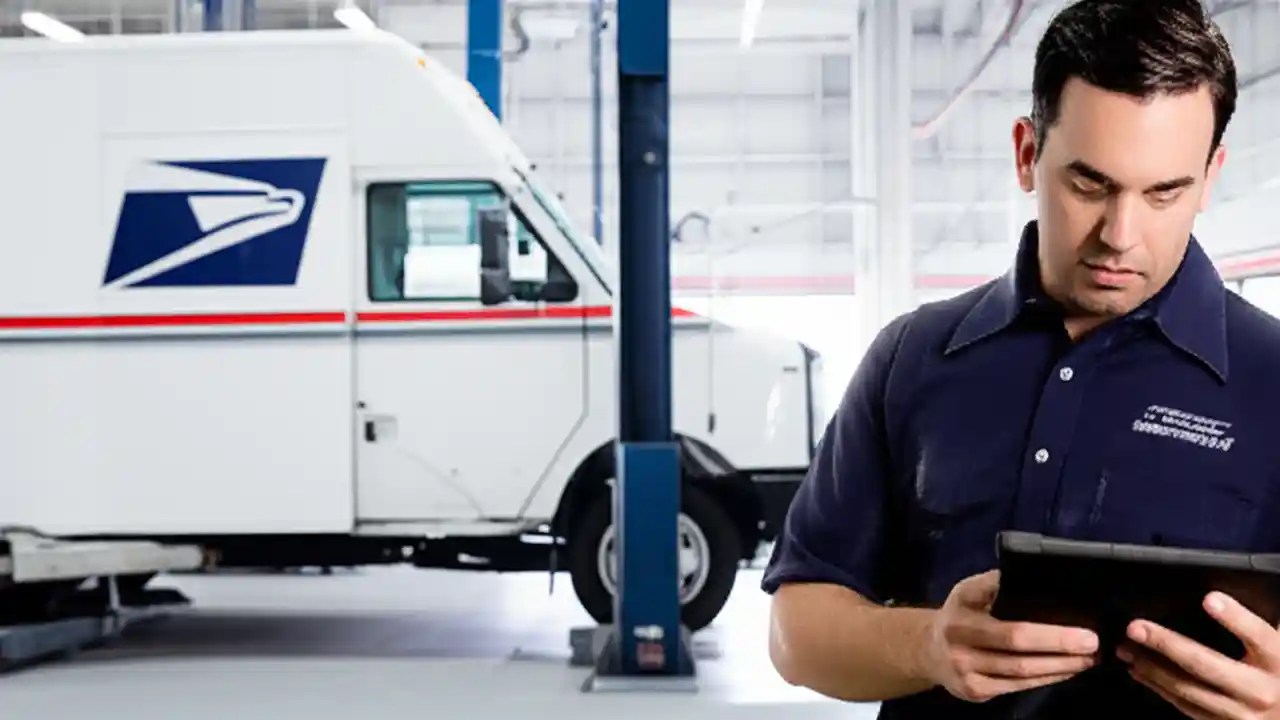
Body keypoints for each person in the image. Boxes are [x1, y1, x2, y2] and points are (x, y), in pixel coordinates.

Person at [762, 1, 1280, 717]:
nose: (1121, 235)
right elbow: (796, 634)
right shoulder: (913, 357)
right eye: (1090, 184)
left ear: (1210, 175)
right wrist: (928, 646)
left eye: (1165, 192)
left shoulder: (1273, 380)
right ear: (1027, 154)